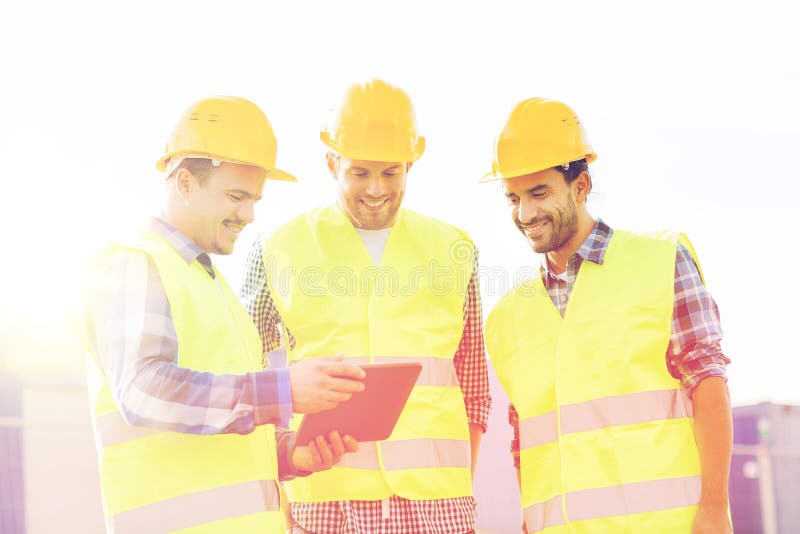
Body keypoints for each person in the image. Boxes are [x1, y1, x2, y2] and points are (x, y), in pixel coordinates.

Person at [82, 95, 367, 533]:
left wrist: (291, 455)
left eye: (254, 199)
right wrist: (284, 389)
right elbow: (142, 391)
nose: (248, 215)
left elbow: (223, 430)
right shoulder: (135, 264)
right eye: (236, 196)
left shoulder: (211, 286)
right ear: (183, 183)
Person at [241, 79, 492, 533]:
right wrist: (282, 464)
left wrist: (454, 489)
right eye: (360, 173)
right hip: (325, 505)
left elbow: (474, 388)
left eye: (390, 172)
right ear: (331, 162)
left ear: (410, 163)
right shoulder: (276, 248)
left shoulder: (456, 248)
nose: (376, 189)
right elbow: (246, 375)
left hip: (437, 510)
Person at [482, 98, 732, 533]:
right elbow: (526, 443)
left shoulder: (660, 260)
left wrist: (714, 508)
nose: (525, 214)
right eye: (514, 198)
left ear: (581, 186)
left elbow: (708, 384)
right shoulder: (506, 319)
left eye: (539, 193)